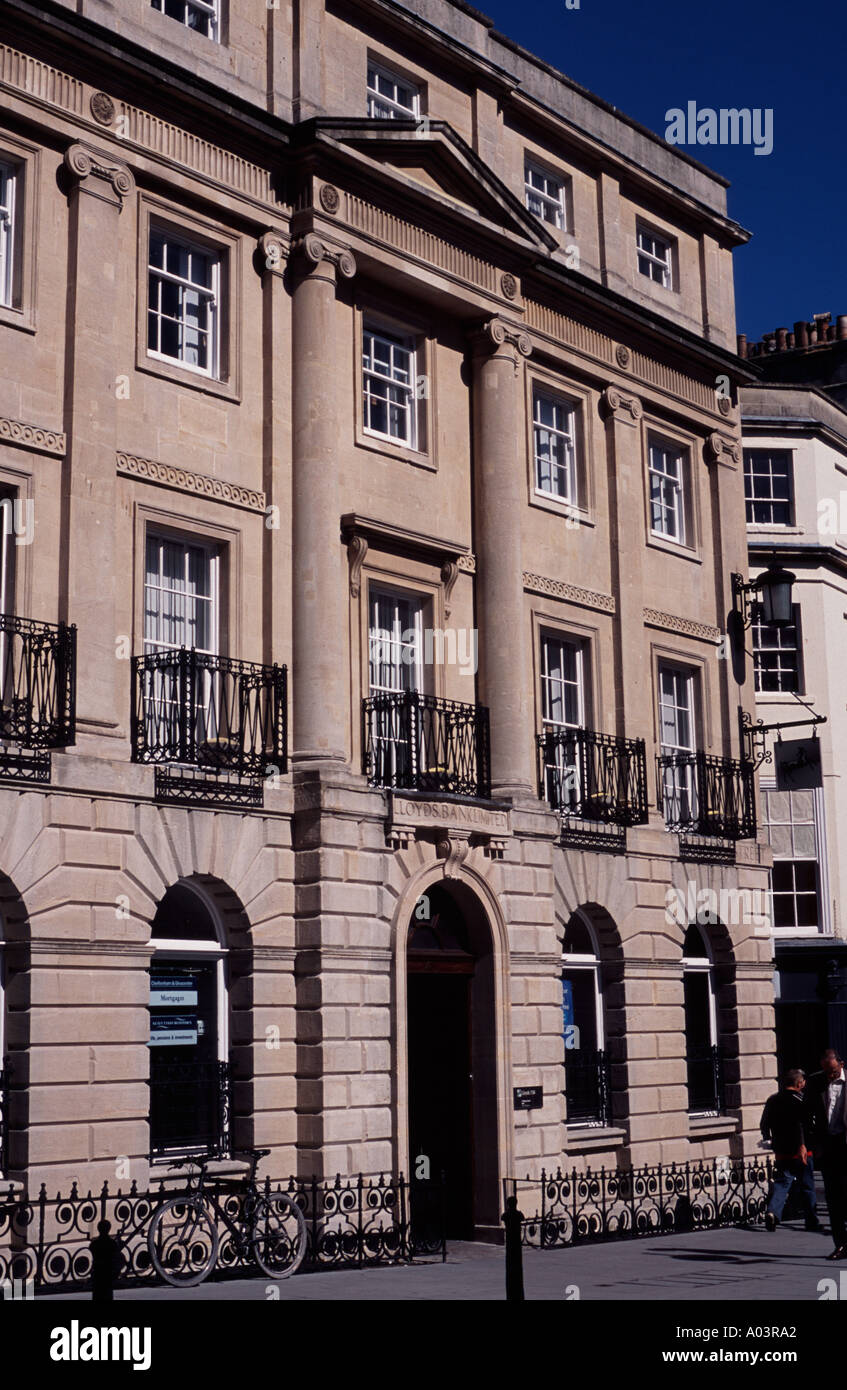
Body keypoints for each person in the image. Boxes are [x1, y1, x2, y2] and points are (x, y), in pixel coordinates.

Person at [760, 1068, 821, 1232]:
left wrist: (768, 1139)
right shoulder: (801, 1100)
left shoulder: (772, 1100)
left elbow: (764, 1123)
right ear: (799, 1083)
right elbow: (802, 1124)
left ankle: (773, 1212)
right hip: (801, 1150)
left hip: (781, 1149)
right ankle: (811, 1220)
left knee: (781, 1184)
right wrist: (803, 1144)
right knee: (807, 1186)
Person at [806, 1048, 847, 1259]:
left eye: (832, 1071)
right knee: (833, 1198)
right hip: (829, 1145)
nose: (829, 1076)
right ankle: (841, 1244)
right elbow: (806, 1114)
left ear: (841, 1064)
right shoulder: (815, 1082)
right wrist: (811, 1142)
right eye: (825, 1071)